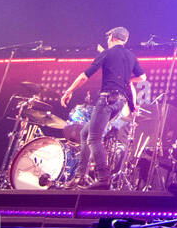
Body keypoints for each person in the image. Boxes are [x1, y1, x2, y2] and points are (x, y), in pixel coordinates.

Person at [60, 27, 145, 190]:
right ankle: (80, 176)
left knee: (94, 138)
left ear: (112, 37)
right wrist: (132, 102)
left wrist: (68, 91)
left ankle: (103, 178)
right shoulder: (131, 56)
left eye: (108, 38)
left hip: (107, 99)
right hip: (120, 103)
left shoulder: (108, 52)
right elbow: (142, 77)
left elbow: (85, 75)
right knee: (85, 133)